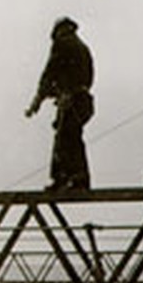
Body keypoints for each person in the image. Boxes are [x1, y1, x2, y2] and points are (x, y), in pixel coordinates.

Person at [25, 16, 95, 192]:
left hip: (73, 100)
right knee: (71, 137)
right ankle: (76, 179)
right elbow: (85, 78)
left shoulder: (62, 44)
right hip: (84, 100)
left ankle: (67, 179)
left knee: (65, 138)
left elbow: (49, 73)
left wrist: (37, 101)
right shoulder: (83, 48)